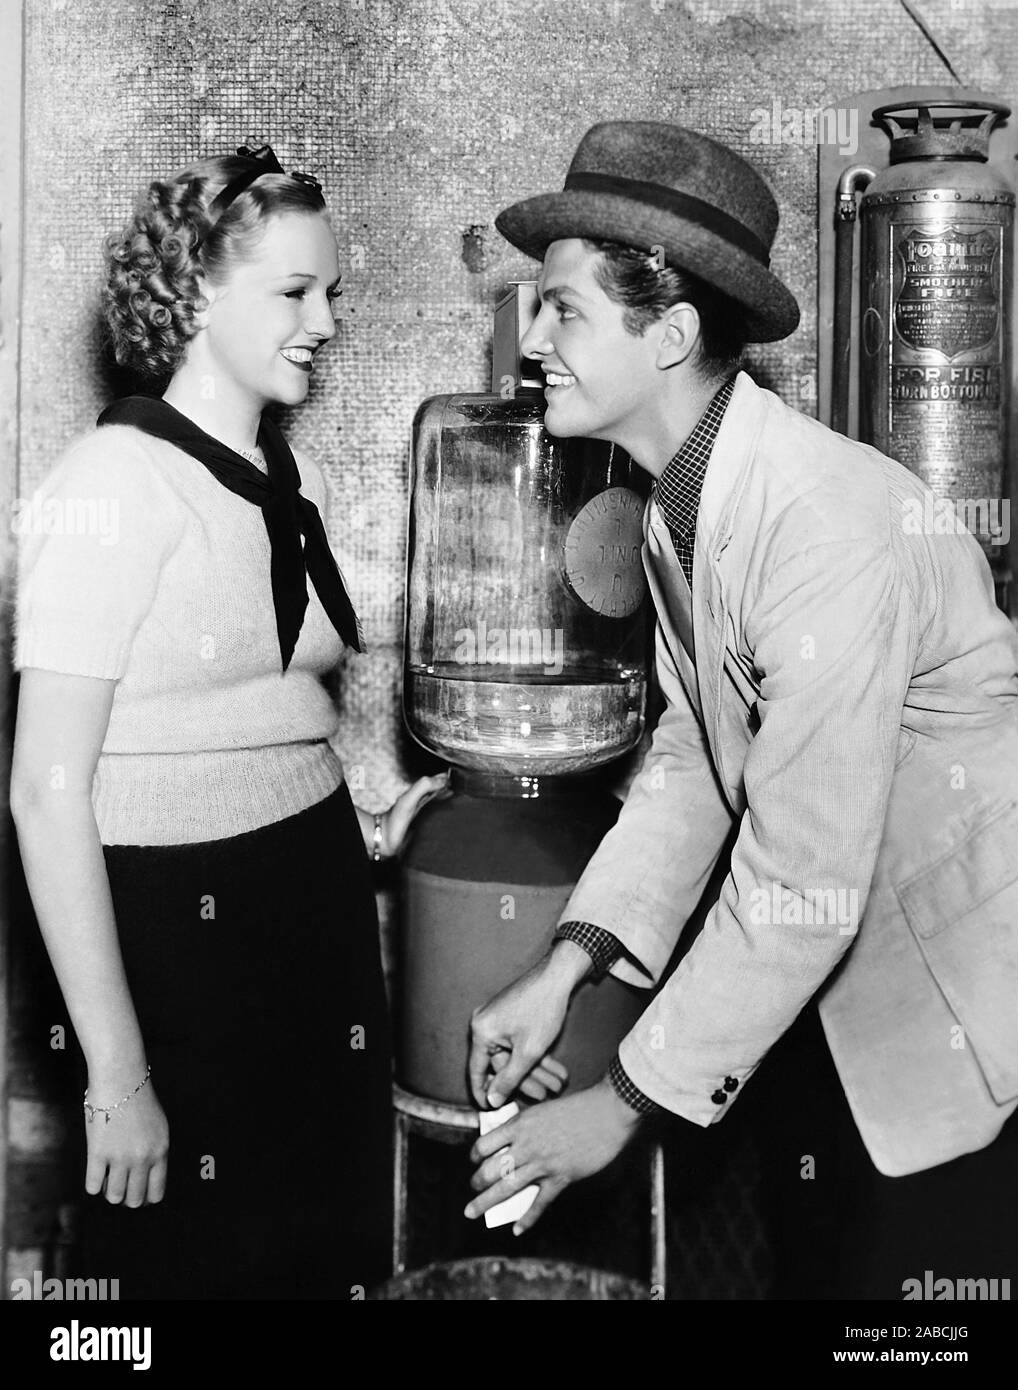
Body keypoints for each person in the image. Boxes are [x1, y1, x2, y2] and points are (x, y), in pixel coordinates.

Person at [464, 120, 1018, 1298]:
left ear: (667, 335)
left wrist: (616, 1105)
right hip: (820, 998)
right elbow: (695, 756)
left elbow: (800, 871)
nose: (532, 338)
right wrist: (569, 966)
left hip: (952, 1004)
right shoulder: (681, 500)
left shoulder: (819, 522)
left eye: (562, 308)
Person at [10, 143, 446, 1299]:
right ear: (197, 290)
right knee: (196, 1267)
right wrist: (115, 1075)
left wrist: (360, 822)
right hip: (178, 940)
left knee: (327, 1244)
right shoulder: (112, 484)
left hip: (309, 905)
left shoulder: (269, 472)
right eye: (294, 292)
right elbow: (45, 790)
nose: (325, 323)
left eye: (332, 295)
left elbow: (263, 713)